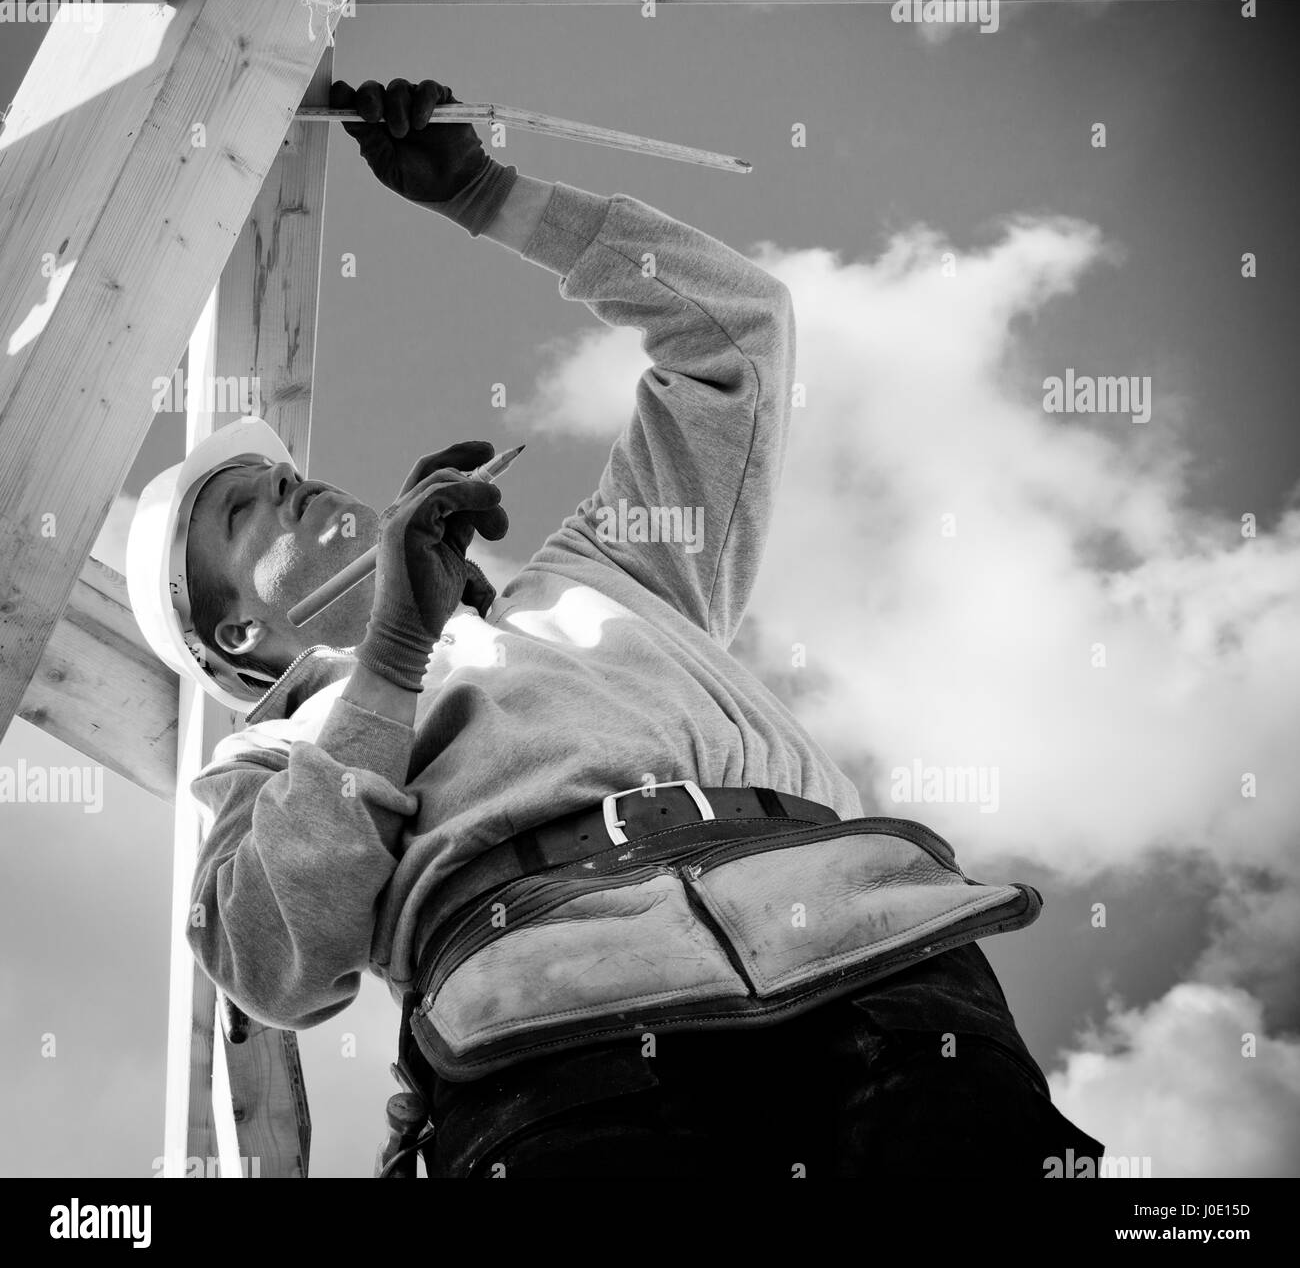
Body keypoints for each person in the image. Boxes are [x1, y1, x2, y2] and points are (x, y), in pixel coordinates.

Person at [125, 75, 1104, 1178]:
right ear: (241, 640)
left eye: (280, 470)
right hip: (558, 1034)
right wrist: (392, 659)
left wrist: (490, 195)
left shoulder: (610, 572)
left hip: (864, 958)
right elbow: (271, 956)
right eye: (242, 510)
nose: (291, 484)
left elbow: (733, 332)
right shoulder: (268, 759)